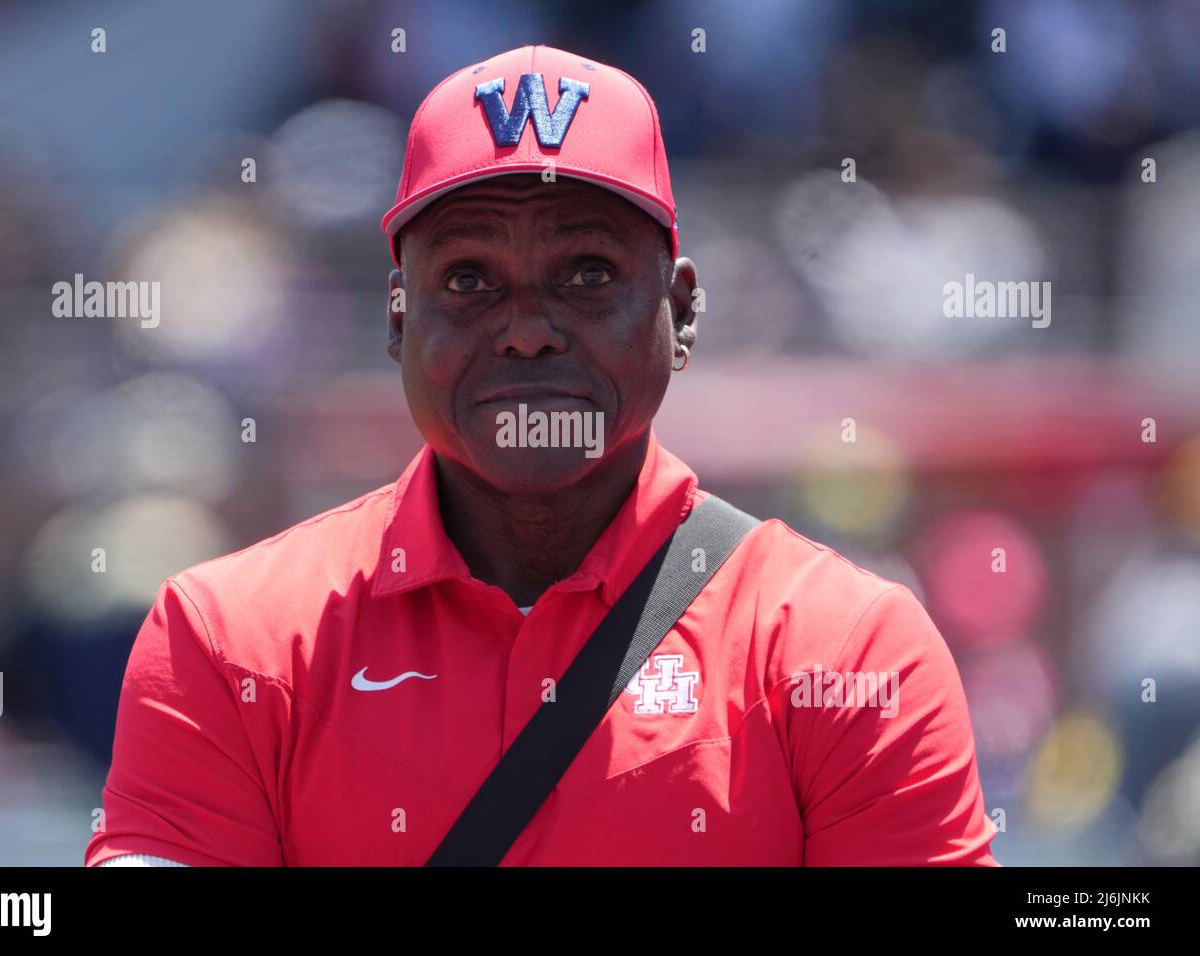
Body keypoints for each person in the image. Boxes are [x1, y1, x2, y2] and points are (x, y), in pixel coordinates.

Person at [84, 44, 998, 867]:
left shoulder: (847, 647)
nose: (526, 330)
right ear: (399, 319)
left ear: (680, 315)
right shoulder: (228, 639)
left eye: (589, 274)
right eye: (469, 279)